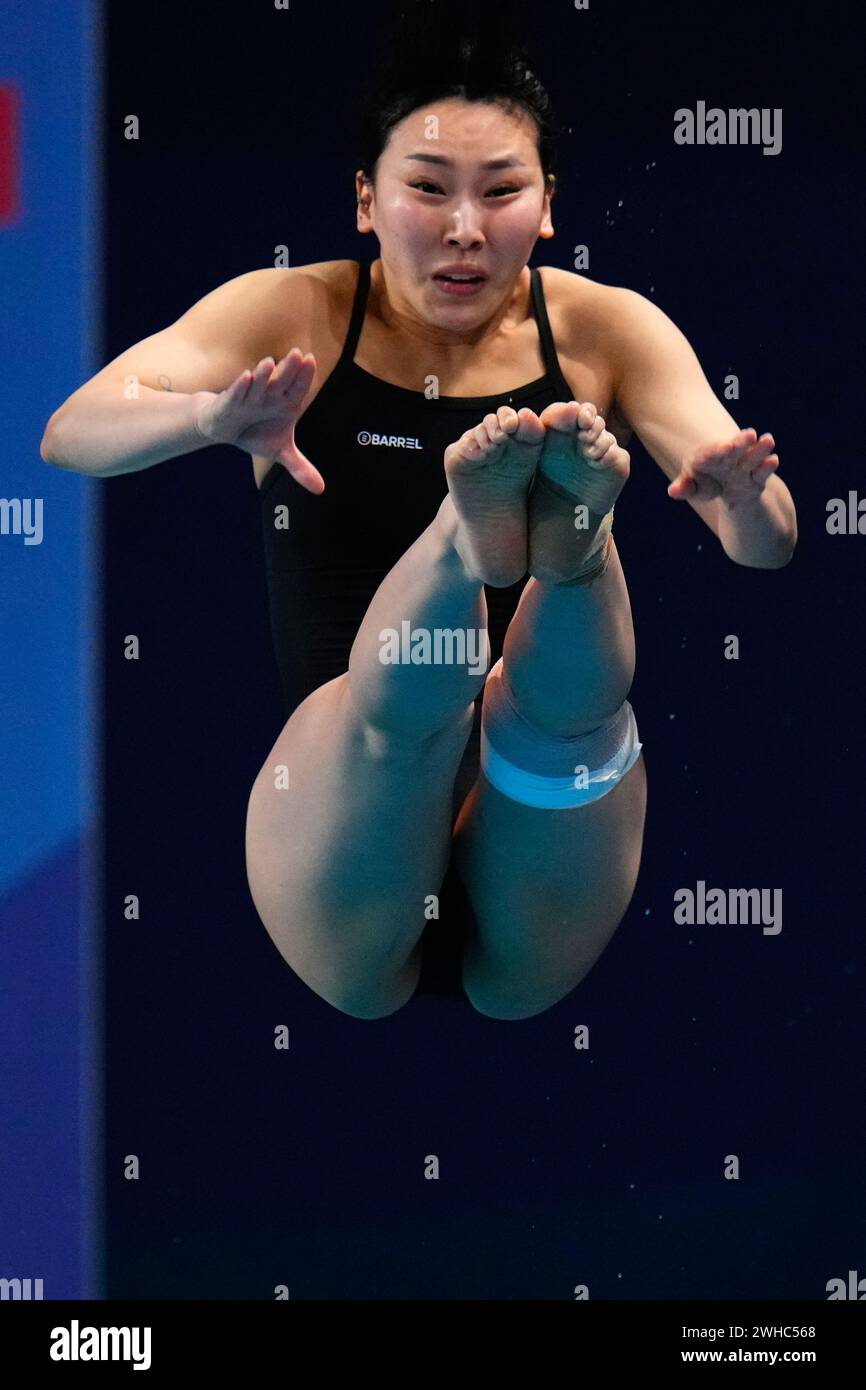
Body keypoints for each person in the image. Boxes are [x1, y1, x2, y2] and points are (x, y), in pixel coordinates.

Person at [40, 9, 796, 1022]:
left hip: (532, 805)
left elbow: (767, 543)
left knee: (559, 702)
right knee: (410, 705)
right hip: (343, 803)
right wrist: (209, 416)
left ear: (548, 207)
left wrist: (742, 500)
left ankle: (559, 546)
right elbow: (74, 430)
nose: (464, 229)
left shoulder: (605, 329)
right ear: (366, 199)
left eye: (501, 192)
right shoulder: (296, 311)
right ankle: (477, 536)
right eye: (428, 190)